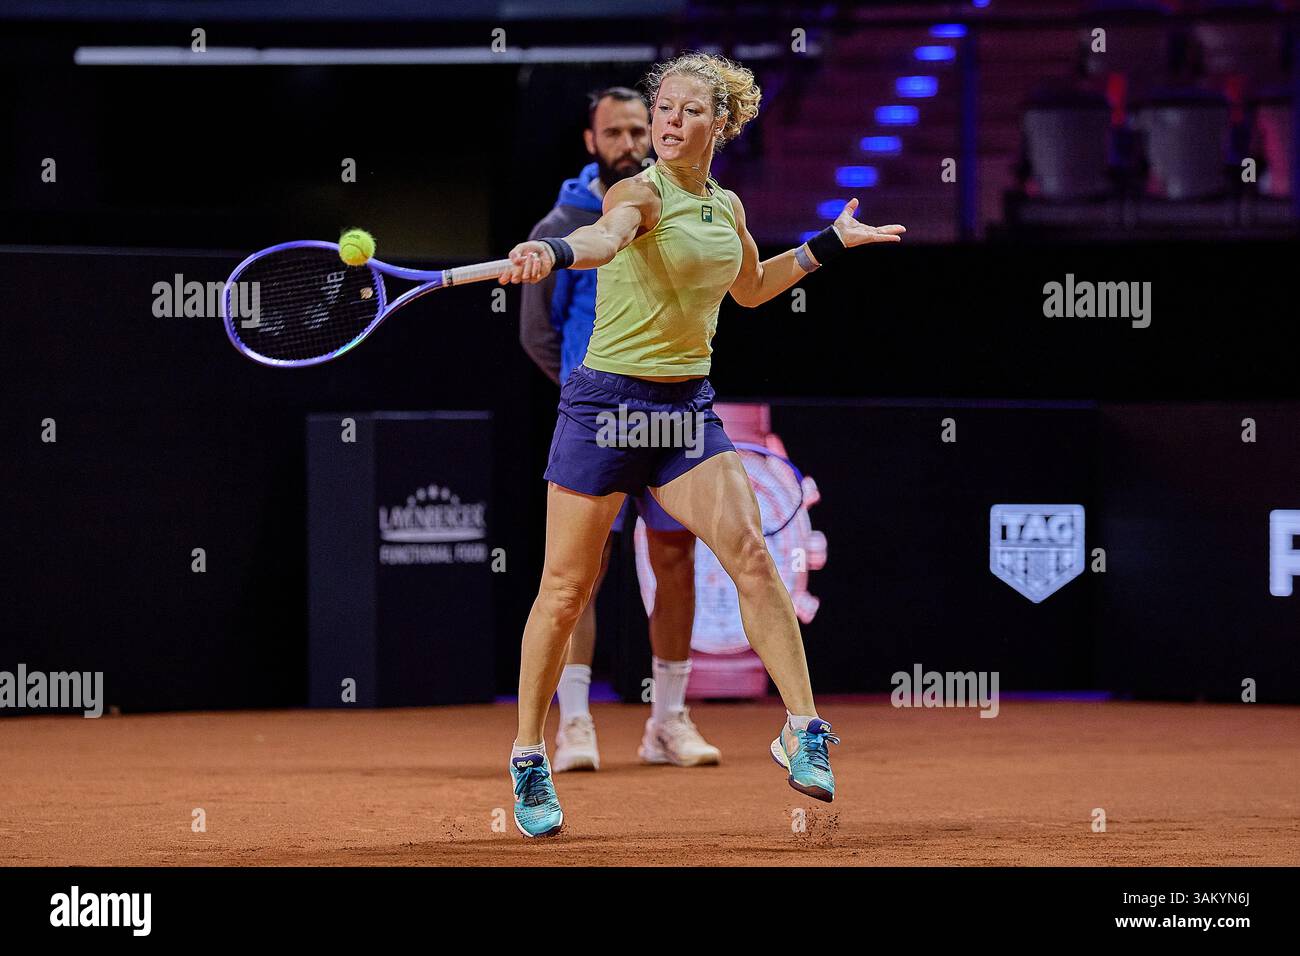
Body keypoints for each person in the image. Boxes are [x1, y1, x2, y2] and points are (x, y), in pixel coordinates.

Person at [499, 51, 905, 837]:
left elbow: (750, 289)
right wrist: (554, 252)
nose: (670, 122)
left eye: (689, 110)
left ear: (723, 122)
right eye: (664, 109)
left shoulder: (727, 208)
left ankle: (803, 728)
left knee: (751, 553)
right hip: (605, 409)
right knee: (564, 592)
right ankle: (528, 757)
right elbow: (607, 238)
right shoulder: (635, 193)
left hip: (684, 409)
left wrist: (830, 243)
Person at [520, 86, 720, 774]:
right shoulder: (565, 219)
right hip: (598, 424)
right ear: (590, 140)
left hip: (668, 420)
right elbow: (538, 335)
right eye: (616, 132)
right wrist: (587, 396)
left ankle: (667, 722)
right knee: (580, 578)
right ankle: (574, 725)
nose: (631, 141)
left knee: (674, 560)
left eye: (641, 128)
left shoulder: (679, 205)